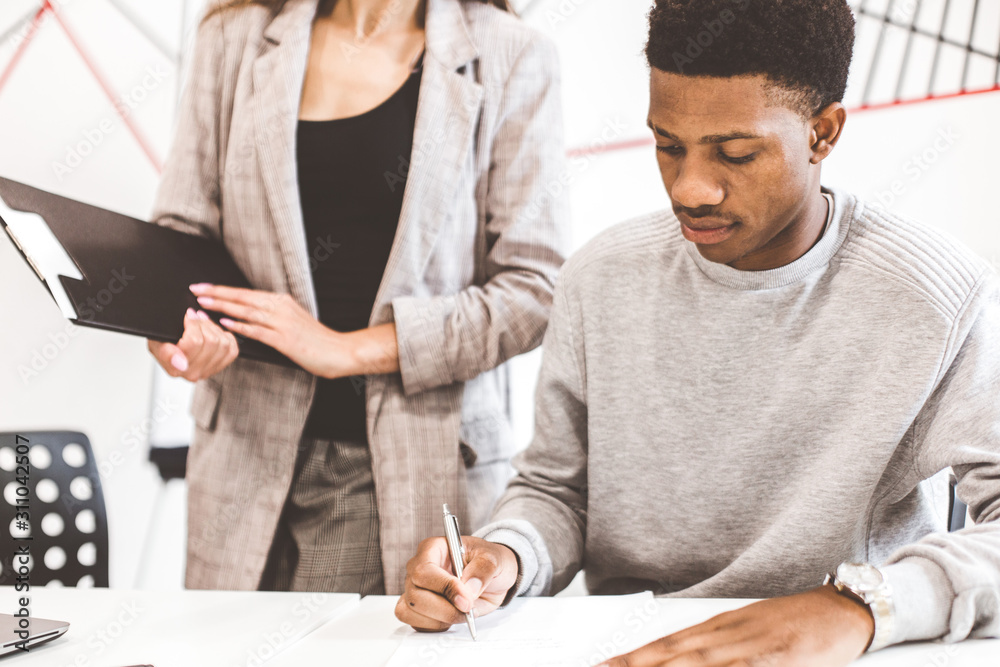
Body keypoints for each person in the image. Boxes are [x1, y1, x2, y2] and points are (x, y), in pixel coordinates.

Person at [394, 0, 1000, 663]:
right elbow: (556, 492)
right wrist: (505, 554)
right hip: (634, 649)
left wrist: (863, 605)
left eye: (735, 154)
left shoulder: (936, 293)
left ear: (823, 133)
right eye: (667, 145)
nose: (690, 189)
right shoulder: (600, 278)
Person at [146, 0, 567, 596]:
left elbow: (533, 290)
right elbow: (179, 234)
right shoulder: (232, 36)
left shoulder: (513, 54)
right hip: (240, 458)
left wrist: (346, 350)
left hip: (403, 461)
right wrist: (173, 328)